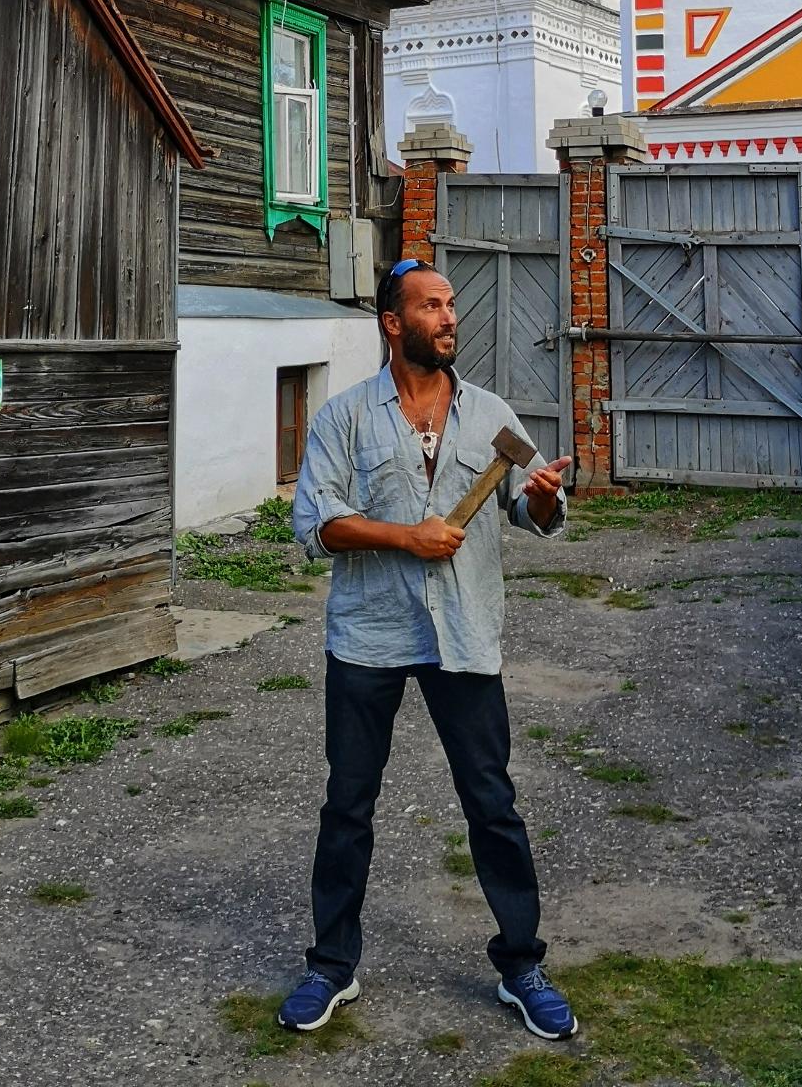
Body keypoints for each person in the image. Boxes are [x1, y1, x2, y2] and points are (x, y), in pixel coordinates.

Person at [279, 257, 577, 1042]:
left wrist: (542, 500)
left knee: (492, 804)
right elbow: (317, 525)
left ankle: (522, 967)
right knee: (348, 806)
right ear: (393, 322)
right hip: (369, 637)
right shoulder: (344, 418)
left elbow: (530, 511)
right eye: (433, 306)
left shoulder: (488, 415)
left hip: (465, 634)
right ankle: (330, 968)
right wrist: (405, 537)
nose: (450, 318)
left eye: (451, 305)